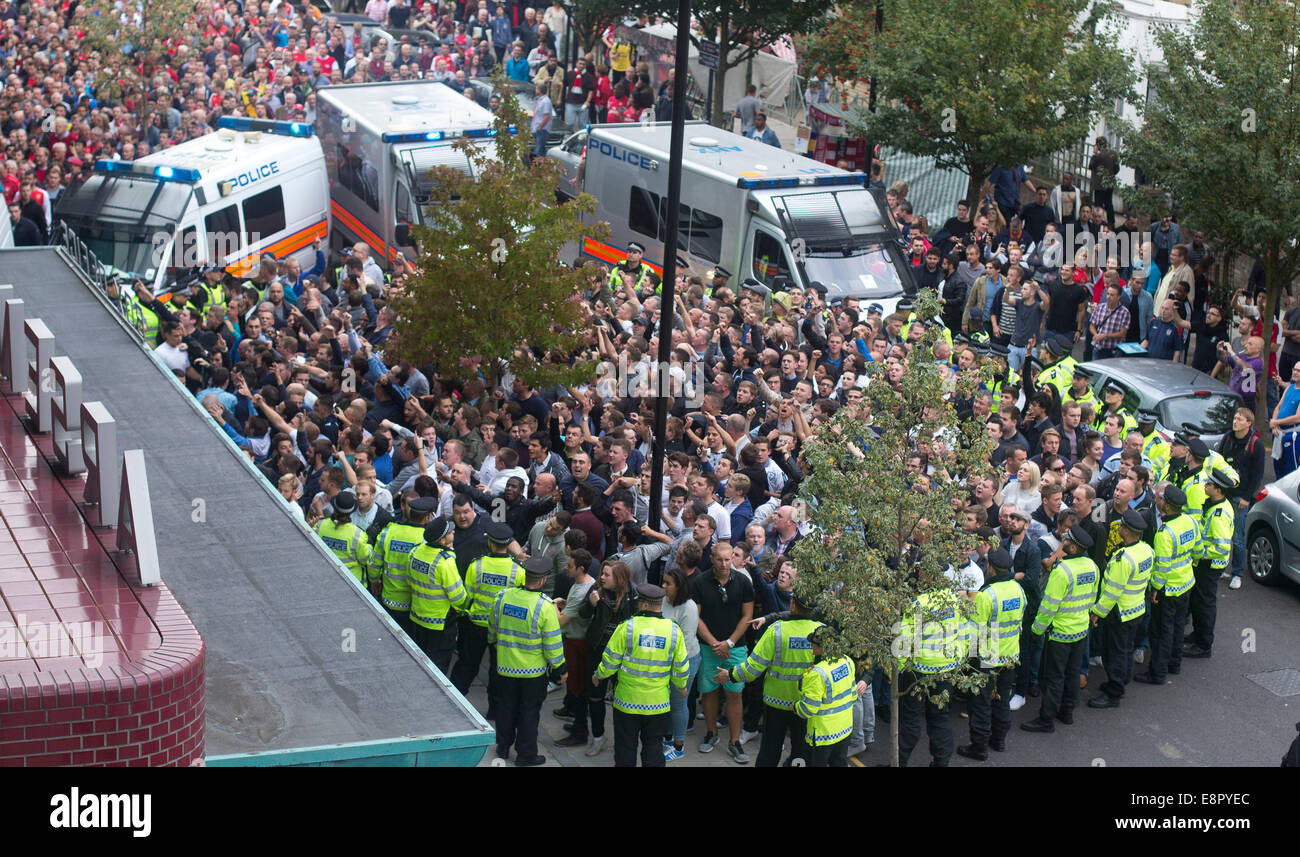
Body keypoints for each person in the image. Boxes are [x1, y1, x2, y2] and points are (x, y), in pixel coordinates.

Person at [717, 591, 820, 767]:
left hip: (776, 702)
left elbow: (752, 668)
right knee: (801, 752)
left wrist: (729, 675)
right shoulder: (821, 632)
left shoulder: (777, 631)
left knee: (769, 750)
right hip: (807, 703)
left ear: (792, 604)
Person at [595, 582, 690, 767]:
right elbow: (681, 666)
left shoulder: (627, 627)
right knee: (654, 747)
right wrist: (681, 685)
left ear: (644, 605)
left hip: (627, 703)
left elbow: (610, 661)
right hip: (658, 704)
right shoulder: (673, 630)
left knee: (625, 748)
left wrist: (598, 675)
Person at [488, 556, 565, 766]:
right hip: (532, 674)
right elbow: (553, 644)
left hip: (505, 669)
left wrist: (495, 643)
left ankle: (502, 748)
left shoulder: (502, 597)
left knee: (505, 709)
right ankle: (526, 755)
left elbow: (492, 627)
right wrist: (561, 668)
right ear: (541, 581)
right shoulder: (545, 606)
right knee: (528, 714)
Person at [1021, 525, 1099, 733]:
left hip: (1060, 633)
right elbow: (1092, 597)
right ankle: (1067, 712)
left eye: (1066, 540)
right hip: (1081, 630)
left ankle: (1046, 719)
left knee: (1054, 677)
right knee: (1073, 673)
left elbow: (1048, 606)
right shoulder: (1092, 566)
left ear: (1073, 547)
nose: (1063, 542)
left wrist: (1037, 630)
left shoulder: (1062, 571)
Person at [449, 520, 525, 718]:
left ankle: (454, 700)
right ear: (507, 544)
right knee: (498, 670)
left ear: (490, 542)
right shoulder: (518, 570)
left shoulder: (477, 566)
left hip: (477, 625)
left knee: (467, 664)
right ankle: (494, 710)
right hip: (502, 630)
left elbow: (468, 594)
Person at [692, 538, 756, 763]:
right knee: (708, 691)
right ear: (711, 559)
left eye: (728, 559)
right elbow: (695, 617)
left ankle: (735, 741)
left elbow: (747, 616)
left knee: (734, 693)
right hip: (708, 647)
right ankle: (711, 733)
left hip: (736, 648)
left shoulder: (743, 583)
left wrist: (728, 643)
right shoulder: (700, 582)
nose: (724, 563)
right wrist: (713, 643)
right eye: (719, 559)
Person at [958, 548, 1024, 761]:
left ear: (992, 569)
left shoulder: (986, 596)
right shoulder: (1018, 589)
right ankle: (999, 740)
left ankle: (979, 748)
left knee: (980, 704)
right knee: (1002, 699)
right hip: (1010, 656)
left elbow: (975, 634)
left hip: (987, 660)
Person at [1086, 508, 1153, 709]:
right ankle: (1121, 680)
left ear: (1128, 531)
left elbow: (1111, 593)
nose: (1119, 528)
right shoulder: (1146, 549)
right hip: (1136, 609)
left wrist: (1097, 613)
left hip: (1119, 613)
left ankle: (1114, 693)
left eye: (1122, 526)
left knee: (1114, 653)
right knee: (1125, 649)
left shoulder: (1123, 559)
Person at [1135, 485, 1198, 686]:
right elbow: (1198, 550)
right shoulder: (1190, 521)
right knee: (1179, 626)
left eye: (1160, 498)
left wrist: (1155, 589)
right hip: (1186, 582)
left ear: (1168, 505)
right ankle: (1174, 663)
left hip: (1167, 589)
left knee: (1161, 631)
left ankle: (1157, 673)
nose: (1157, 500)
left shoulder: (1164, 533)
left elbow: (1162, 567)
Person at [575, 559, 638, 757]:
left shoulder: (632, 594)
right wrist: (592, 604)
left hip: (622, 656)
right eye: (602, 573)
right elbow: (582, 613)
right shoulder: (596, 589)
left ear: (618, 579)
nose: (601, 577)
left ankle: (624, 742)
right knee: (594, 696)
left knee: (621, 701)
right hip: (598, 651)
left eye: (606, 575)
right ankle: (598, 737)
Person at [896, 587, 963, 767]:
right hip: (946, 668)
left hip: (918, 670)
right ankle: (941, 763)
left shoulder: (917, 603)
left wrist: (899, 670)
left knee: (909, 719)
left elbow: (904, 639)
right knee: (940, 717)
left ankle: (899, 762)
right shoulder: (953, 598)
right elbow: (962, 630)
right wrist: (958, 660)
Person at [1184, 468, 1236, 660]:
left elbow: (1222, 547)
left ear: (1218, 490)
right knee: (1198, 601)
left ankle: (1203, 645)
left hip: (1209, 565)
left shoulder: (1219, 514)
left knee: (1204, 604)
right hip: (1205, 564)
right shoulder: (1214, 505)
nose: (1205, 486)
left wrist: (1200, 552)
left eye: (1209, 485)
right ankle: (1198, 635)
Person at [407, 515, 469, 673]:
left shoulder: (415, 551)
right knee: (437, 670)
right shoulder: (445, 563)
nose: (454, 533)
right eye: (451, 532)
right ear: (442, 541)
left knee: (418, 665)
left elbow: (409, 581)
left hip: (416, 618)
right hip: (440, 626)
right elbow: (459, 598)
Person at [795, 626, 863, 767]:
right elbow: (852, 696)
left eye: (814, 643)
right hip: (844, 730)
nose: (811, 645)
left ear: (823, 647)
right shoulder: (847, 661)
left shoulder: (817, 673)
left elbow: (808, 709)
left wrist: (796, 707)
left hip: (822, 735)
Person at [371, 495, 439, 634]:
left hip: (389, 600)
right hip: (415, 605)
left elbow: (374, 562)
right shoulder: (427, 539)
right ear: (427, 517)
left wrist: (374, 580)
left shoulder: (389, 531)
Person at [1217, 407, 1266, 590]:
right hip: (1224, 495)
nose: (1235, 421)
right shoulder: (1228, 439)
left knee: (1237, 537)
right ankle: (1221, 567)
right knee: (1222, 534)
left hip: (1240, 498)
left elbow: (1257, 474)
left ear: (1248, 423)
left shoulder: (1256, 445)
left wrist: (1247, 497)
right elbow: (1220, 463)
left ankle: (1237, 572)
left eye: (1239, 419)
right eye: (1235, 418)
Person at [660, 567, 701, 761]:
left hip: (686, 660)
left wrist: (681, 679)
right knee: (669, 701)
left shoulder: (689, 607)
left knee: (679, 702)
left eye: (668, 583)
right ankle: (668, 737)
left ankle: (679, 745)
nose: (663, 586)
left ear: (679, 586)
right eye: (664, 582)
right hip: (667, 660)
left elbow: (684, 643)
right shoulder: (663, 601)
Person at [313, 490, 373, 585]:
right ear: (351, 512)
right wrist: (370, 545)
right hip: (352, 584)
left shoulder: (319, 526)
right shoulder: (357, 534)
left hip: (324, 580)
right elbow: (365, 559)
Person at [1271, 361, 1300, 478]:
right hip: (1278, 432)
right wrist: (1274, 425)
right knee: (1278, 466)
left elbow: (1298, 417)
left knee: (1291, 469)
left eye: (1299, 371)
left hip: (1292, 434)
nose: (1295, 372)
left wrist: (1276, 422)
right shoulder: (1290, 388)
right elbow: (1278, 407)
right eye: (1295, 369)